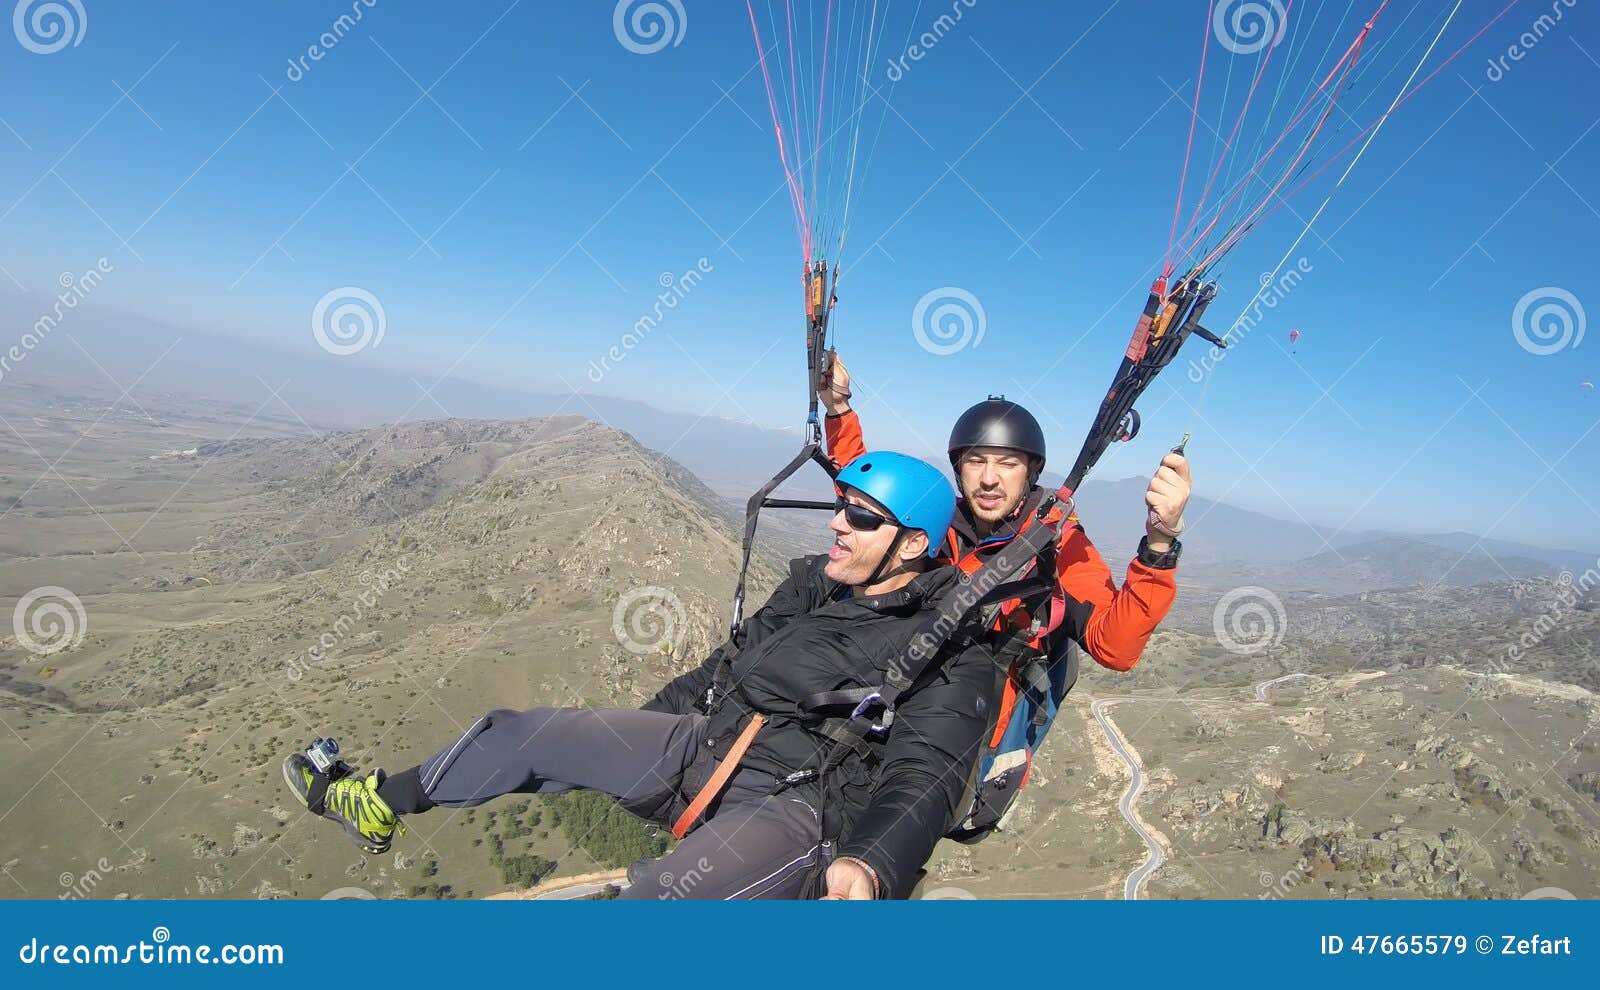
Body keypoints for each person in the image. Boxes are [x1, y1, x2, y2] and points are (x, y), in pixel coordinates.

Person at [284, 451, 1000, 900]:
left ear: (912, 544)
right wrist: (643, 731)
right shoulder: (817, 586)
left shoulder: (948, 649)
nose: (838, 523)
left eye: (861, 517)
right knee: (527, 734)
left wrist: (871, 863)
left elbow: (926, 773)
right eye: (840, 505)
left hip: (796, 803)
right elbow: (727, 667)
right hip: (708, 742)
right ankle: (376, 801)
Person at [821, 355, 1186, 680]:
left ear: (1029, 473)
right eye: (976, 461)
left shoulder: (1056, 543)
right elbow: (871, 494)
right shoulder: (941, 517)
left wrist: (1159, 543)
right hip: (905, 675)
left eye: (1007, 464)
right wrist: (838, 410)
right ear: (959, 468)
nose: (989, 478)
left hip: (977, 709)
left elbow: (1115, 648)